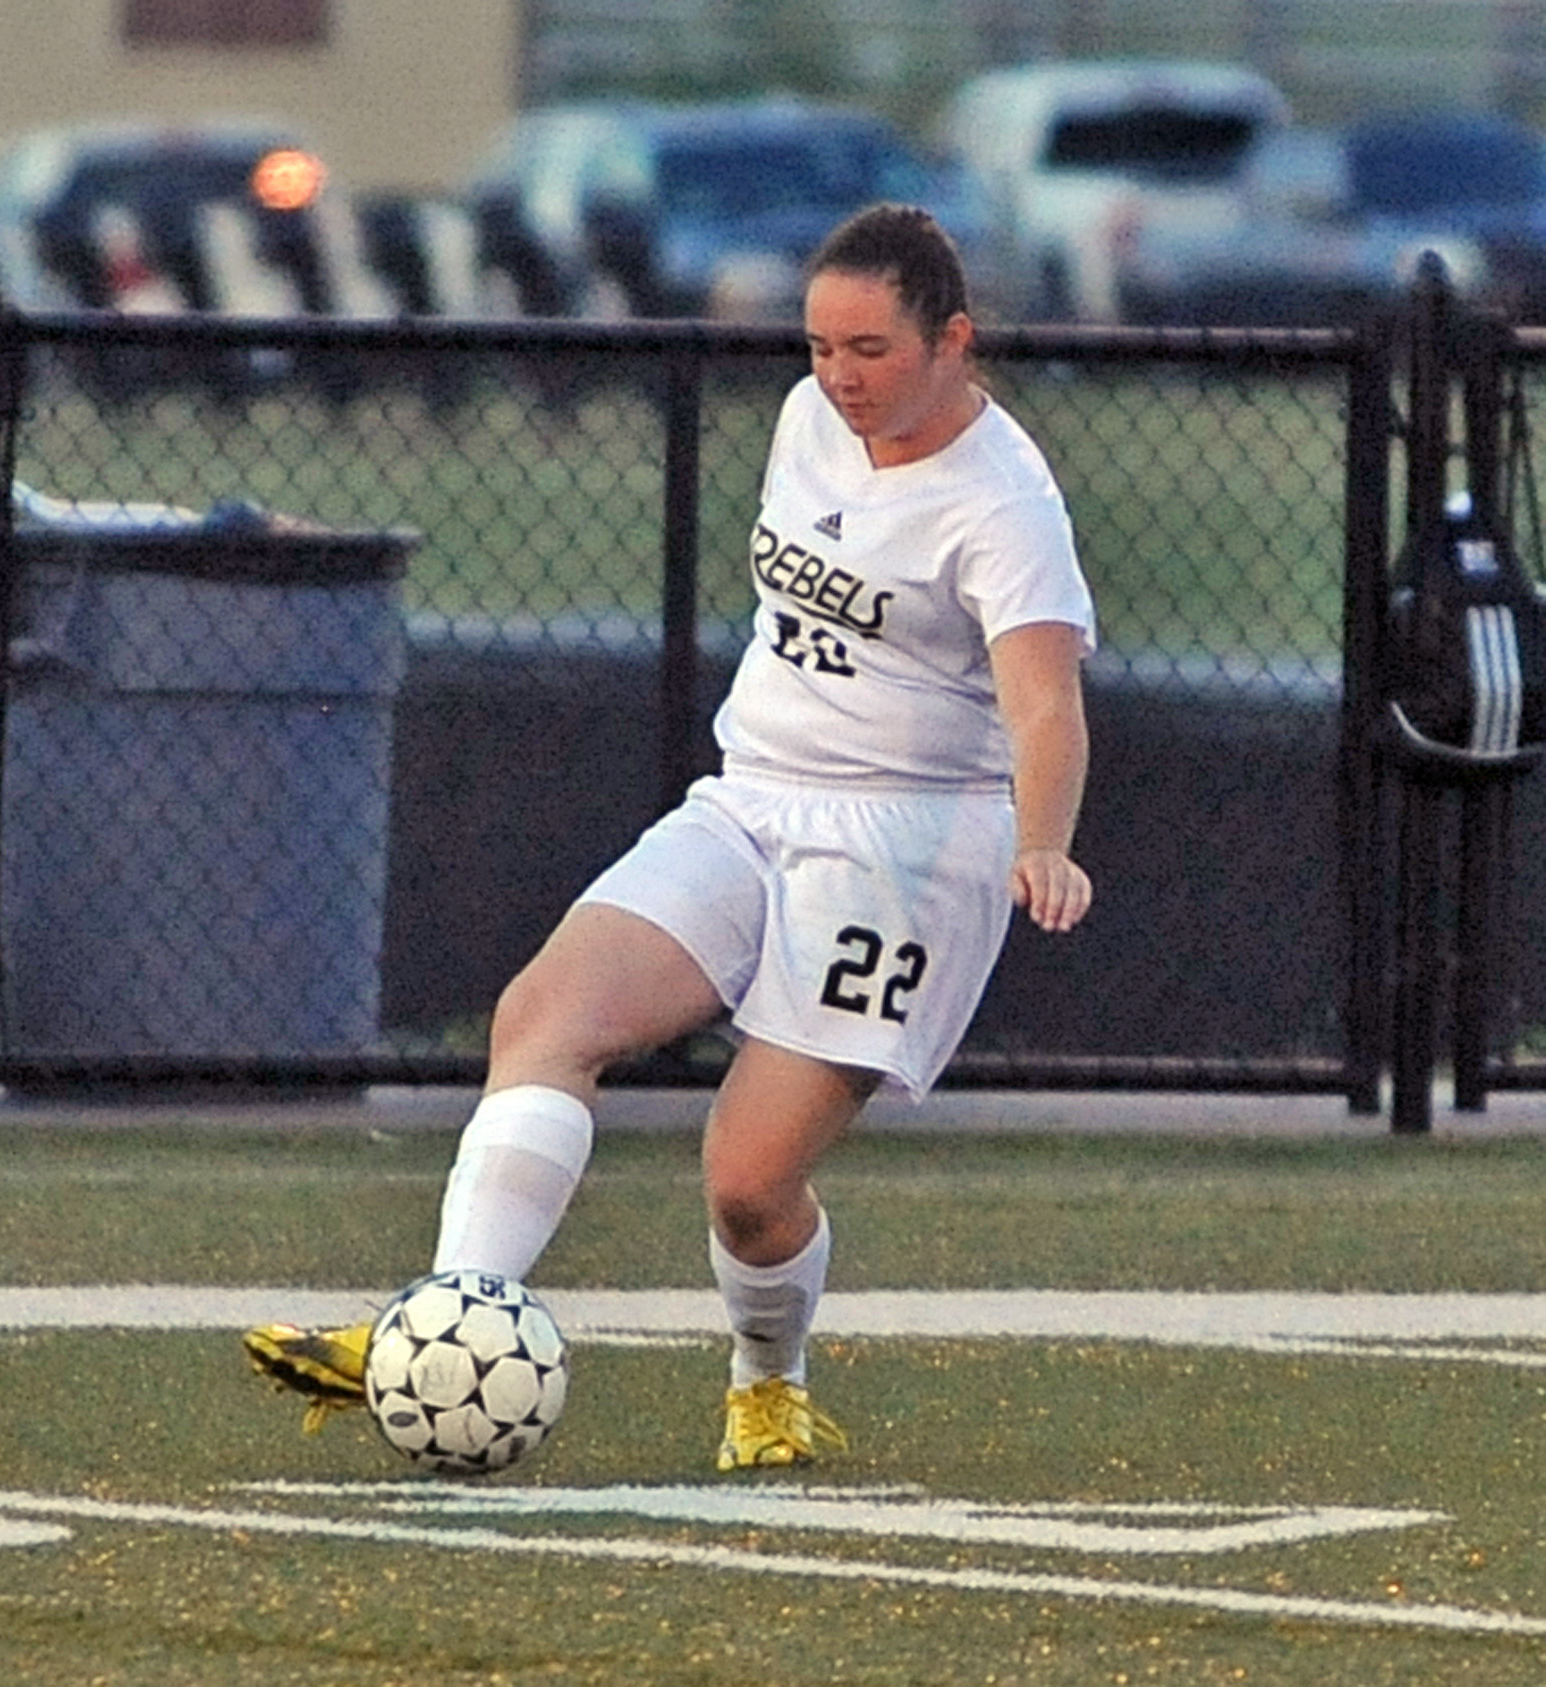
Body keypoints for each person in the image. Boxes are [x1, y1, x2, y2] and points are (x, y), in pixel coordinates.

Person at [244, 203, 1096, 1470]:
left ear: (952, 341)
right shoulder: (813, 422)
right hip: (751, 796)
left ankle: (768, 1379)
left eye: (868, 348)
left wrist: (1045, 841)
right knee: (544, 1016)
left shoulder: (1002, 505)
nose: (837, 376)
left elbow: (1042, 702)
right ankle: (443, 1317)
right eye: (817, 346)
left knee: (747, 1187)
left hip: (906, 851)